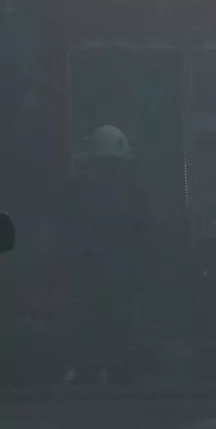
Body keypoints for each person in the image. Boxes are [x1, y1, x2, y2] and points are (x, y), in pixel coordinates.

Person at [62, 125, 152, 385]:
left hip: (92, 276)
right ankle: (111, 368)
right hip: (116, 276)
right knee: (115, 326)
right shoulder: (133, 194)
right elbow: (146, 235)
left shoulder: (77, 192)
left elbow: (66, 235)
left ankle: (94, 368)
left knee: (94, 325)